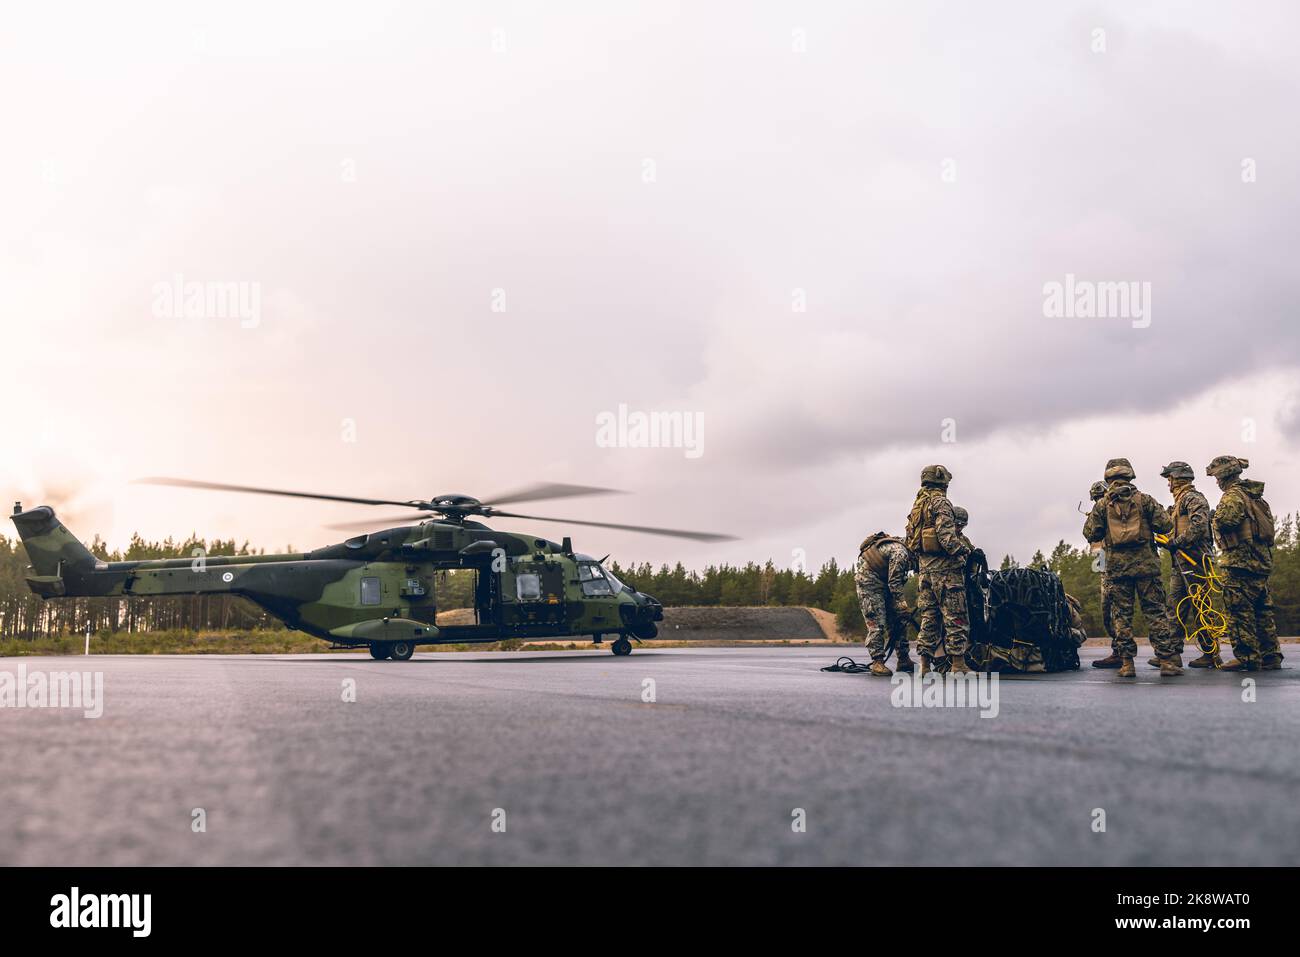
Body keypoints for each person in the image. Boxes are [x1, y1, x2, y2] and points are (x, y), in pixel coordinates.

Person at [1083, 458, 1180, 677]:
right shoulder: (1145, 501)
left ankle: (1127, 664)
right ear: (1130, 475)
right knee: (1156, 614)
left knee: (1122, 617)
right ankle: (1167, 662)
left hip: (1118, 570)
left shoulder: (1101, 505)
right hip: (1147, 568)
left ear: (1109, 478)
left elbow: (1090, 533)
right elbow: (1165, 525)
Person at [1207, 456, 1282, 671]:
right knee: (1262, 610)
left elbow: (1226, 521)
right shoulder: (1254, 495)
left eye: (1216, 477)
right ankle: (1271, 655)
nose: (1216, 481)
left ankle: (1247, 657)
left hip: (1240, 562)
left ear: (1223, 475)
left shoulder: (1233, 496)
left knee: (1239, 611)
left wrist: (1214, 518)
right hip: (1260, 561)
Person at [905, 465, 972, 675]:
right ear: (942, 482)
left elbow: (910, 540)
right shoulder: (940, 503)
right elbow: (947, 538)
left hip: (925, 572)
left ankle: (924, 666)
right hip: (946, 572)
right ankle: (958, 665)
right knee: (955, 616)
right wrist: (965, 552)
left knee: (929, 618)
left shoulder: (918, 506)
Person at [1159, 461, 1218, 668]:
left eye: (1170, 479)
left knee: (1200, 606)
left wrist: (1177, 542)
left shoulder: (1193, 498)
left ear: (1177, 479)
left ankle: (1211, 654)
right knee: (1175, 607)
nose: (1168, 484)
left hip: (1196, 561)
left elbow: (1199, 526)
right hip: (1180, 562)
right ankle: (1171, 654)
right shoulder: (1179, 502)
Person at [853, 532, 915, 676]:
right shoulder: (901, 553)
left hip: (884, 583)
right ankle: (877, 662)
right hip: (869, 584)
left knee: (899, 621)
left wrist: (900, 608)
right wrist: (901, 604)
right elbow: (894, 582)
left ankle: (904, 659)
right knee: (877, 622)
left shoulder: (905, 549)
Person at [1087, 480, 1124, 668]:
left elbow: (1088, 533)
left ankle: (1121, 653)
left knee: (1114, 612)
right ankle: (1120, 651)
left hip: (1115, 569)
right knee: (1111, 613)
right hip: (1109, 567)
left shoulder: (1109, 511)